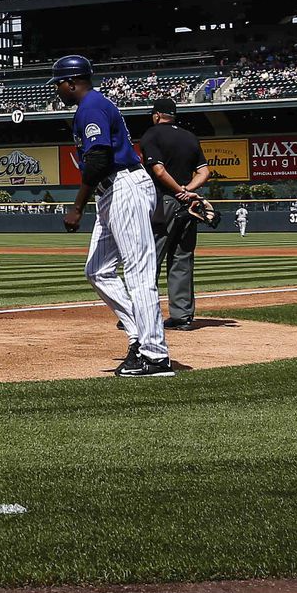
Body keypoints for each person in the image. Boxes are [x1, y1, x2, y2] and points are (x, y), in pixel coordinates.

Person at [54, 55, 173, 378]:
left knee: (138, 274)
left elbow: (98, 159)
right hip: (113, 192)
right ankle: (139, 335)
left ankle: (155, 356)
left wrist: (78, 207)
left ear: (73, 82)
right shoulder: (90, 105)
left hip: (124, 186)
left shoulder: (91, 106)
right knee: (98, 270)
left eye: (60, 84)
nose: (58, 90)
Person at [139, 97, 211, 331]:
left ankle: (141, 315)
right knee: (182, 259)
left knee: (149, 259)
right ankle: (182, 318)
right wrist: (189, 190)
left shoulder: (152, 134)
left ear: (157, 115)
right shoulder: (189, 137)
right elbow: (204, 171)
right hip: (188, 204)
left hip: (164, 202)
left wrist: (178, 190)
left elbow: (158, 171)